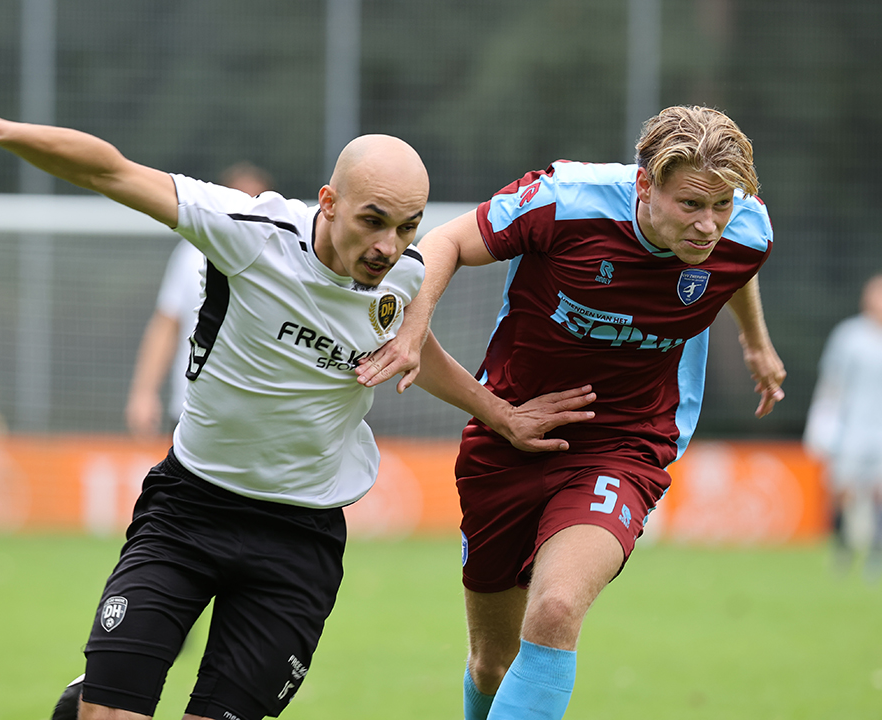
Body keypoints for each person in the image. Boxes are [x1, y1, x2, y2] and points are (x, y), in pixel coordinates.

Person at [0, 44, 438, 720]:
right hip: (191, 508)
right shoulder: (248, 231)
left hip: (300, 537)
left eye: (407, 227)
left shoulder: (405, 274)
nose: (389, 245)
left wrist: (499, 413)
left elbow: (417, 348)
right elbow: (109, 169)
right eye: (374, 221)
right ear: (329, 202)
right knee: (108, 713)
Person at [356, 105, 787, 720]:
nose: (708, 225)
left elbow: (734, 264)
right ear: (646, 186)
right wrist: (412, 330)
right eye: (692, 204)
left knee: (556, 609)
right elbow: (446, 240)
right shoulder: (564, 201)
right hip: (510, 434)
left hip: (626, 443)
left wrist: (755, 341)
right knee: (491, 662)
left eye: (722, 205)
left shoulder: (746, 227)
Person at [125, 163, 274, 440]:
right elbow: (167, 323)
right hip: (192, 410)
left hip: (261, 416)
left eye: (254, 201)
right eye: (237, 198)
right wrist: (143, 392)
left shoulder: (284, 261)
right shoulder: (190, 253)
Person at [804, 273, 882, 579]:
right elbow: (832, 384)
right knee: (843, 490)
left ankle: (876, 553)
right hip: (852, 429)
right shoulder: (849, 336)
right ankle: (843, 548)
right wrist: (822, 423)